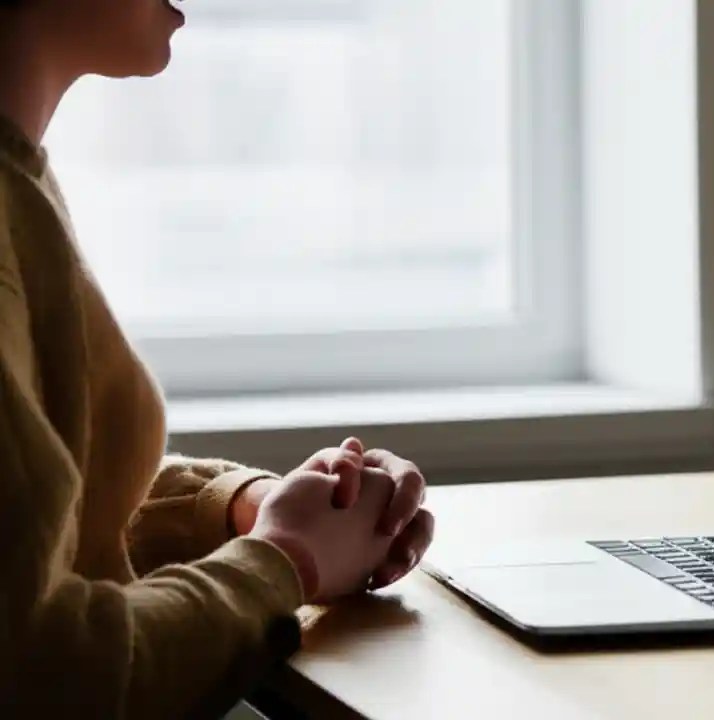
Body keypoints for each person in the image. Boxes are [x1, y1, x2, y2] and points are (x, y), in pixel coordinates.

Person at [0, 0, 435, 716]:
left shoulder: (17, 176)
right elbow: (47, 672)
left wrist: (242, 512)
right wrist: (286, 561)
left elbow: (45, 518)